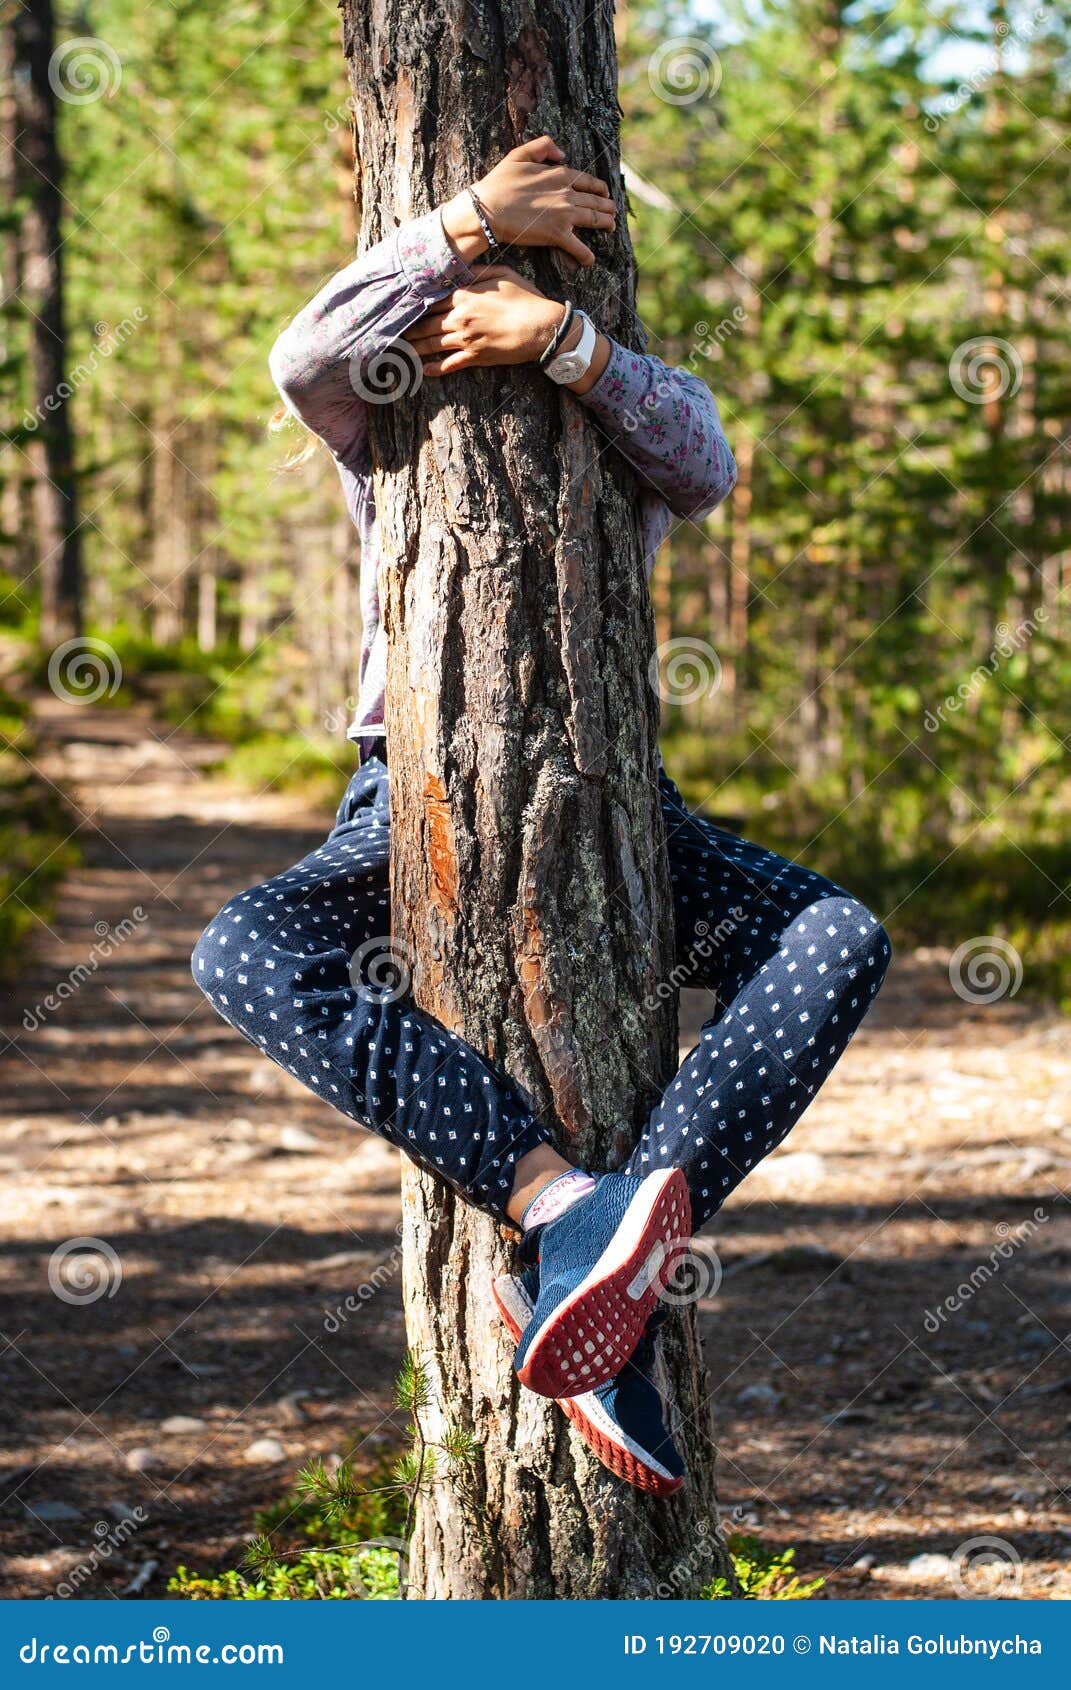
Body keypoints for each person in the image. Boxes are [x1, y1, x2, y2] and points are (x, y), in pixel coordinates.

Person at [192, 137, 891, 1499]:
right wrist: (465, 224)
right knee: (242, 951)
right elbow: (298, 355)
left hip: (622, 800)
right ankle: (565, 1211)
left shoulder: (624, 404)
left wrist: (564, 342)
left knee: (837, 934)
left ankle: (615, 1227)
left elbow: (706, 461)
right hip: (405, 787)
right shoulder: (386, 400)